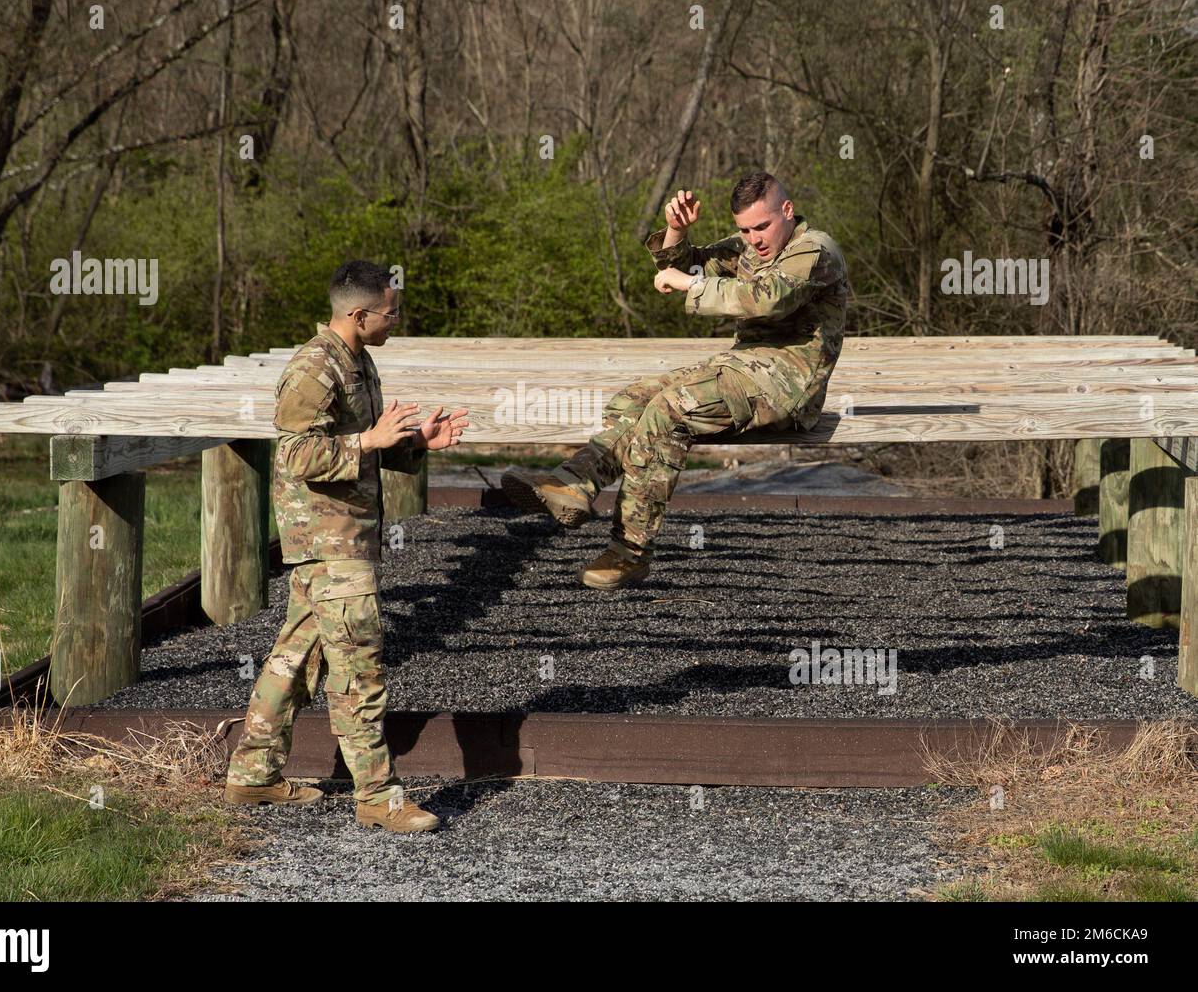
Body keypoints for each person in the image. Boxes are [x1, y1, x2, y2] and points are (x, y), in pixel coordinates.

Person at [501, 171, 848, 589]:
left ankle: (629, 551)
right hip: (740, 369)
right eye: (745, 229)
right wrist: (675, 231)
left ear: (787, 211)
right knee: (635, 398)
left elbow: (767, 299)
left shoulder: (815, 250)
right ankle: (574, 484)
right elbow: (687, 266)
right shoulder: (746, 250)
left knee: (670, 410)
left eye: (763, 226)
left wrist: (690, 283)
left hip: (788, 386)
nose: (754, 238)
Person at [224, 260, 469, 832]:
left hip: (346, 535)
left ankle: (253, 775)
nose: (397, 320)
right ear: (359, 315)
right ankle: (378, 797)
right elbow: (295, 455)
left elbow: (363, 450)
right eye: (392, 312)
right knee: (360, 666)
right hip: (329, 540)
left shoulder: (360, 361)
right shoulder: (314, 368)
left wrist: (415, 442)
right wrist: (370, 438)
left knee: (295, 659)